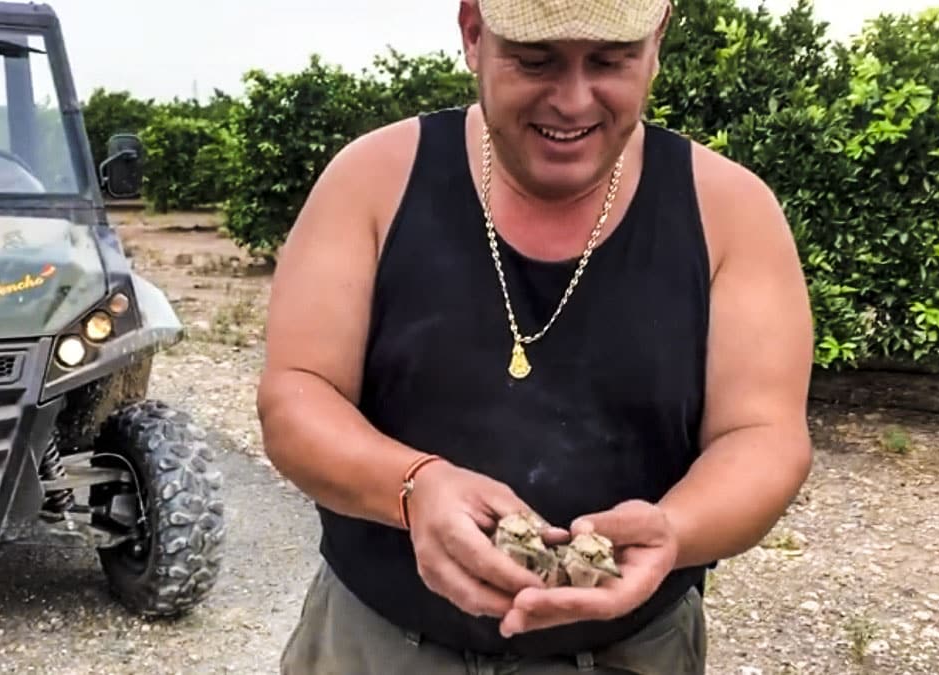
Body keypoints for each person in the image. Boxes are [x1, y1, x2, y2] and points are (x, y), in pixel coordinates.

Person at [257, 0, 814, 672]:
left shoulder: (732, 213)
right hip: (376, 644)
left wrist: (675, 530)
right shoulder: (372, 181)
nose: (573, 100)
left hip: (626, 652)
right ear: (472, 33)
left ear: (657, 40)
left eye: (609, 61)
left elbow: (764, 435)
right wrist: (412, 485)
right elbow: (296, 394)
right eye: (535, 60)